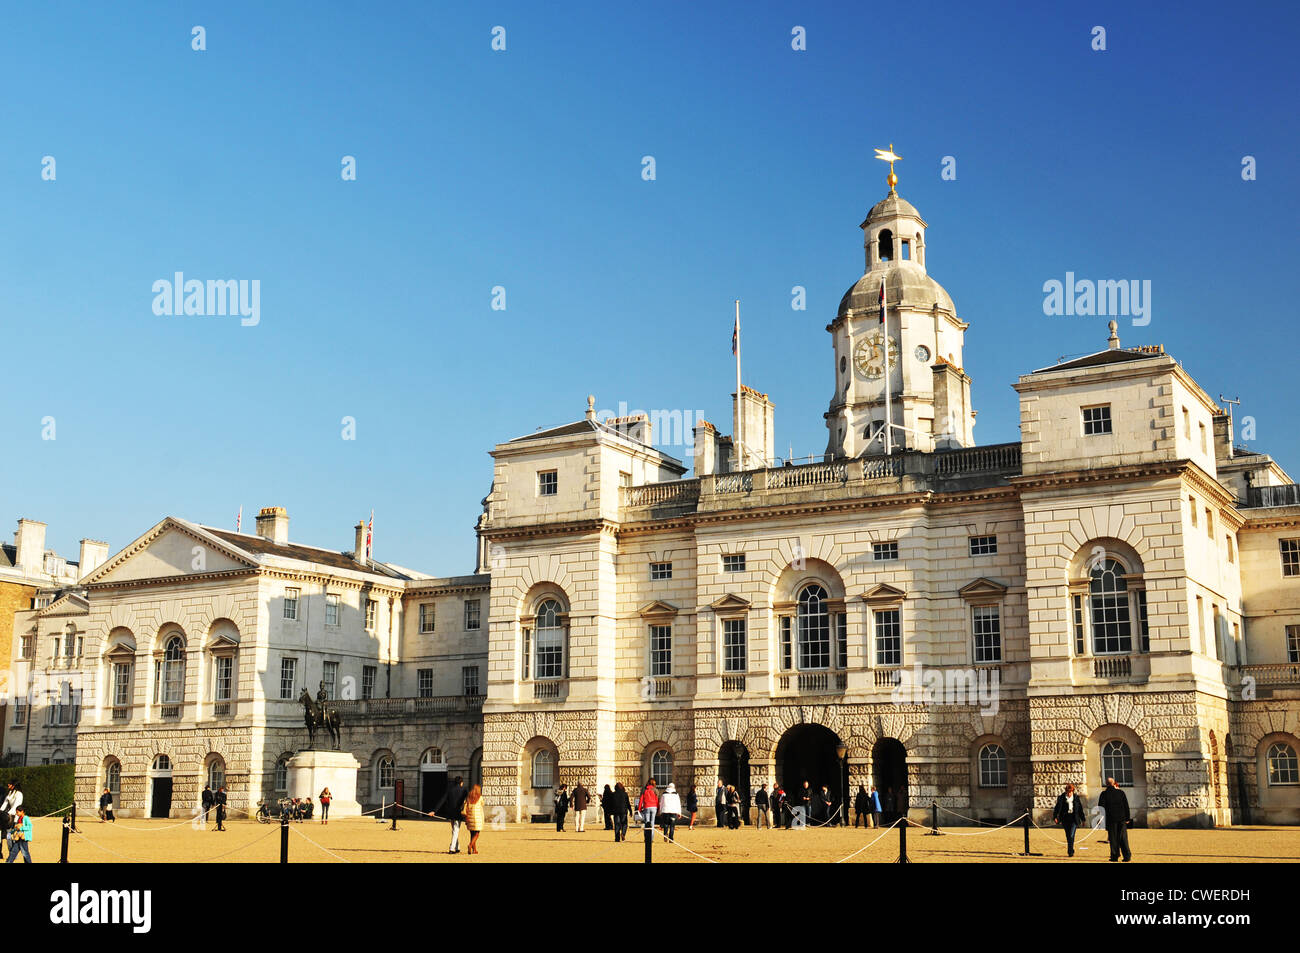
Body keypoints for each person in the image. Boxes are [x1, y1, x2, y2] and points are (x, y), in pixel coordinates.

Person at [1097, 777, 1133, 862]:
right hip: (1122, 818)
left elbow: (1101, 807)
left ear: (1106, 784)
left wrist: (1101, 817)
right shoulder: (1121, 793)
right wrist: (1127, 818)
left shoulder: (1104, 794)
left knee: (1113, 839)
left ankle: (1115, 856)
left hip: (1111, 819)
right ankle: (1127, 856)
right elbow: (1126, 806)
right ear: (1114, 783)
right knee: (1123, 838)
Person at [433, 775, 469, 852]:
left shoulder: (450, 789)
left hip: (450, 812)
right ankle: (452, 848)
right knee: (456, 829)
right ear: (461, 783)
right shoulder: (464, 790)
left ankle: (457, 846)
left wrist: (434, 811)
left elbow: (442, 800)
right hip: (458, 812)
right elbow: (468, 801)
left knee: (454, 829)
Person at [1053, 783, 1087, 857]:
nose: (1069, 794)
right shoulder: (1062, 797)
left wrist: (1083, 819)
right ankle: (1071, 849)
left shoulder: (1076, 798)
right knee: (1068, 836)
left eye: (1070, 792)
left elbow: (1080, 809)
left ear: (1073, 791)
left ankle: (1070, 851)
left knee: (1071, 835)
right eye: (1068, 792)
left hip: (1074, 819)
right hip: (1065, 818)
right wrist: (1055, 817)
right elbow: (1057, 808)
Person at [462, 784, 485, 855]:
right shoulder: (480, 797)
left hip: (469, 817)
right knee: (477, 834)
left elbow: (465, 806)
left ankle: (474, 850)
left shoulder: (468, 797)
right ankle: (470, 845)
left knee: (472, 834)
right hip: (477, 818)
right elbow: (483, 804)